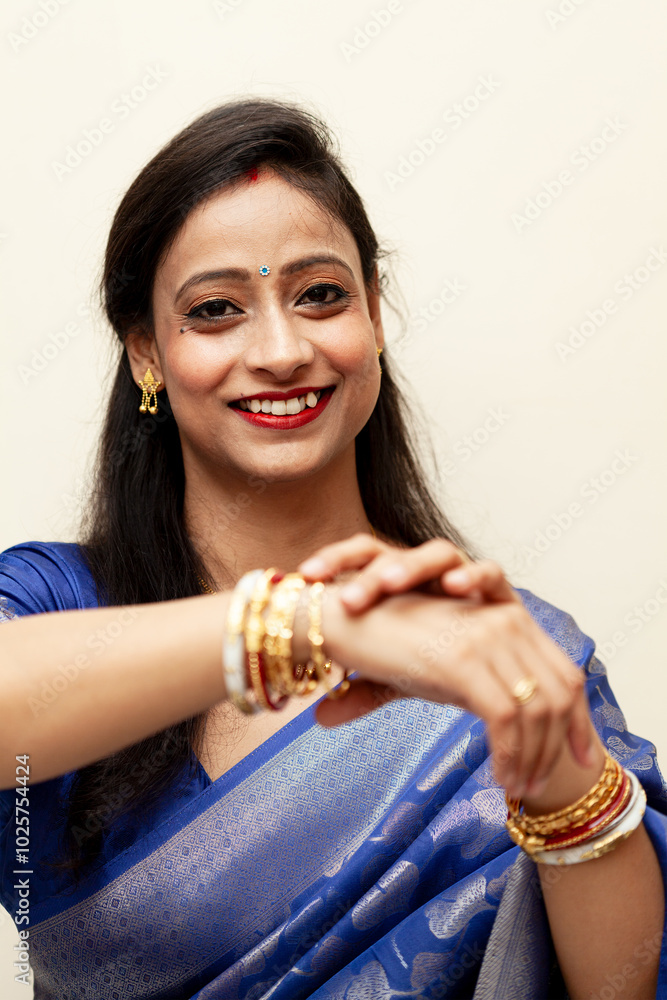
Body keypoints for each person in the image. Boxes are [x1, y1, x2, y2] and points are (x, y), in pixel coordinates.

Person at [0, 97, 665, 1000]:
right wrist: (313, 628)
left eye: (320, 294)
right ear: (145, 353)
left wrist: (570, 795)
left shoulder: (504, 658)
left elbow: (618, 990)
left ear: (374, 318)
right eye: (216, 309)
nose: (280, 349)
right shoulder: (54, 604)